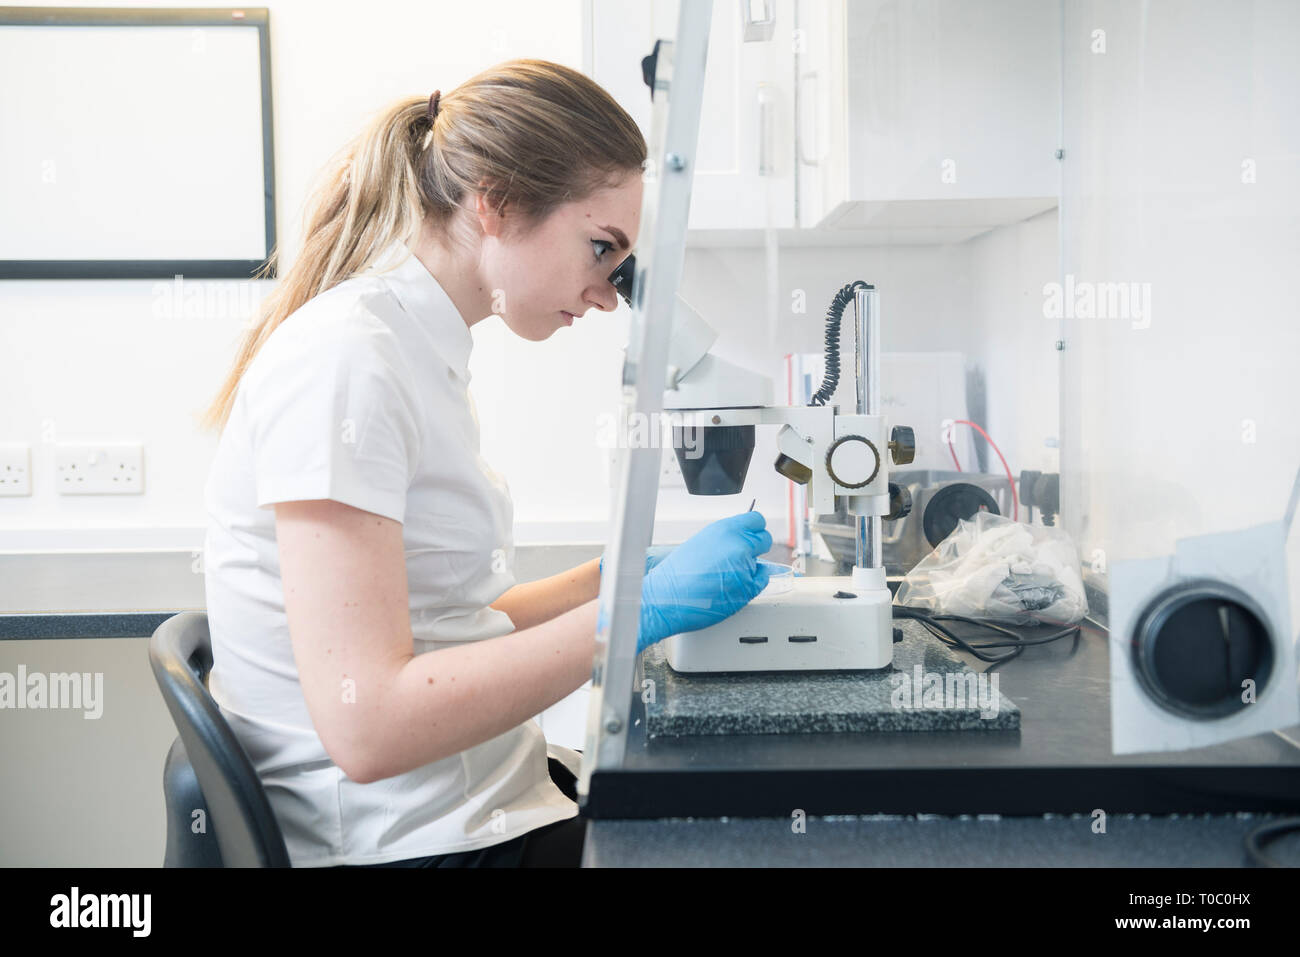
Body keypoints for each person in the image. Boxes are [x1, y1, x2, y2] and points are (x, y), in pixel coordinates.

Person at [199, 59, 772, 868]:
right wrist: (631, 619)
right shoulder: (348, 363)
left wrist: (616, 579)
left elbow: (450, 618)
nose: (610, 294)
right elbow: (369, 726)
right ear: (495, 202)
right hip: (406, 844)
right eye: (602, 250)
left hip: (468, 805)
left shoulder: (412, 348)